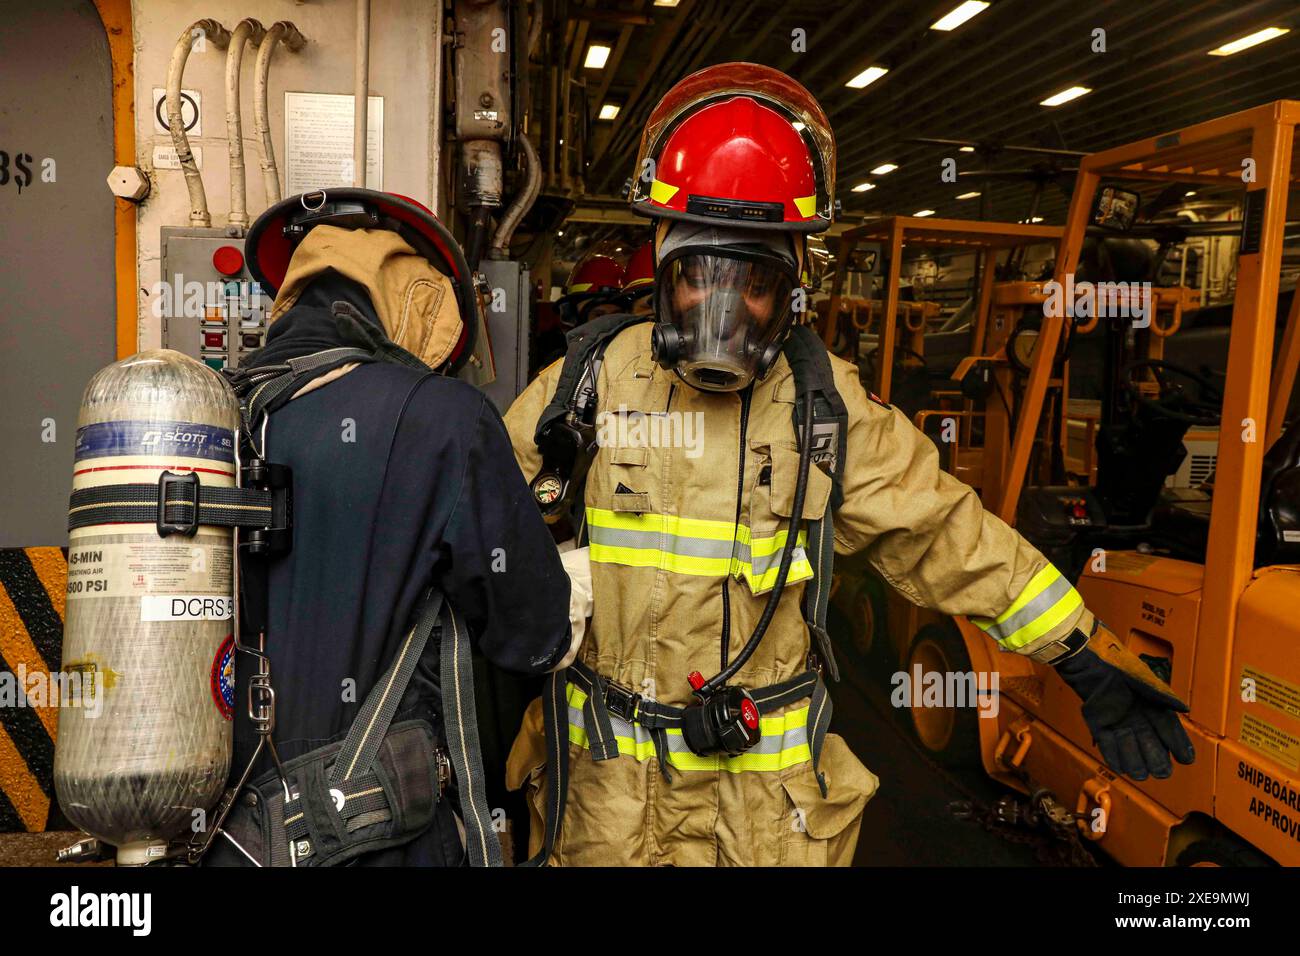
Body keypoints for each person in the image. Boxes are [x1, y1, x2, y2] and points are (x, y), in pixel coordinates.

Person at [501, 64, 1194, 867]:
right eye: (699, 276)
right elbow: (475, 523)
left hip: (760, 829)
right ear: (662, 265)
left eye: (754, 282)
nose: (723, 310)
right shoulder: (588, 385)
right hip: (606, 817)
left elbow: (944, 534)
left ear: (795, 287)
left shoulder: (825, 409)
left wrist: (1081, 651)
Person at [202, 188, 578, 866]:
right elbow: (534, 634)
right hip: (374, 837)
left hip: (224, 835)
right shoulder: (443, 419)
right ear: (420, 299)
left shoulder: (213, 414)